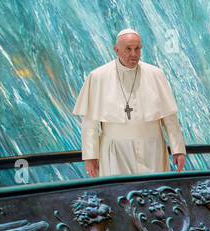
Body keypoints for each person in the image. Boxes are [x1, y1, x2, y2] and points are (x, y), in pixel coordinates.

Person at [72, 28, 186, 177]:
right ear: (116, 50)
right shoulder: (98, 77)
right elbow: (90, 124)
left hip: (152, 150)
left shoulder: (156, 74)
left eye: (137, 49)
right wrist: (90, 157)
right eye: (128, 49)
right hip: (115, 151)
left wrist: (178, 150)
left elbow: (170, 118)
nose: (134, 54)